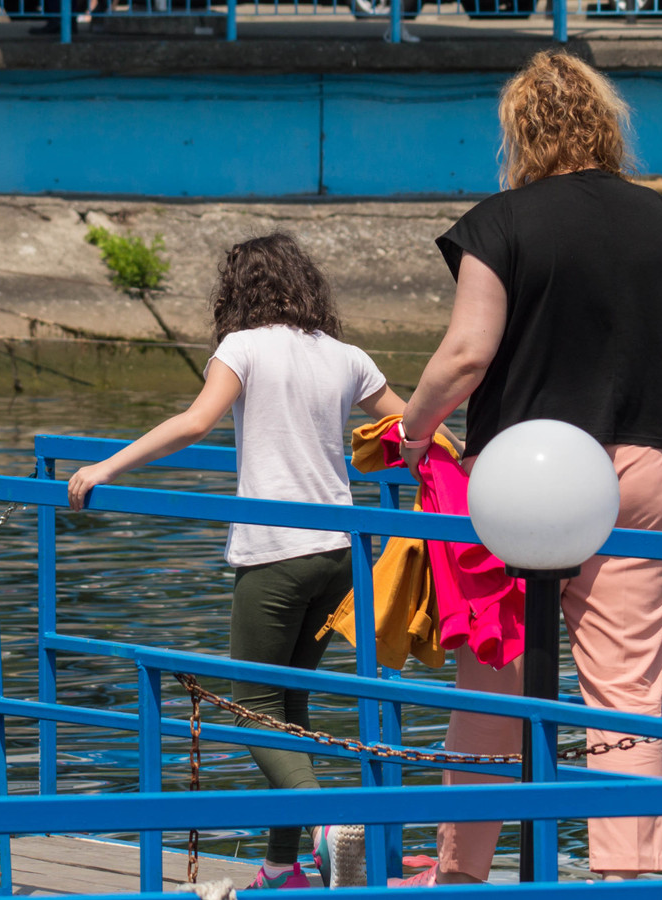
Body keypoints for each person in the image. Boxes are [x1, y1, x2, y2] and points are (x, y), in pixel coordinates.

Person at [394, 50, 662, 885]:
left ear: (521, 132)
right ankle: (628, 878)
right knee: (626, 691)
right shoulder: (658, 220)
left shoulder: (501, 222)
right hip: (639, 468)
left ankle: (463, 872)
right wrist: (641, 388)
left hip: (520, 484)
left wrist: (414, 426)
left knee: (494, 683)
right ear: (604, 123)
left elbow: (467, 353)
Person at [66, 232, 450, 890]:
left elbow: (196, 422)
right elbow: (422, 426)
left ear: (237, 292)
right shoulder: (345, 356)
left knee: (249, 706)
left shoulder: (241, 347)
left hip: (274, 556)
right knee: (287, 707)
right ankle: (282, 866)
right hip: (338, 556)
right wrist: (457, 461)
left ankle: (329, 820)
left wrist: (105, 466)